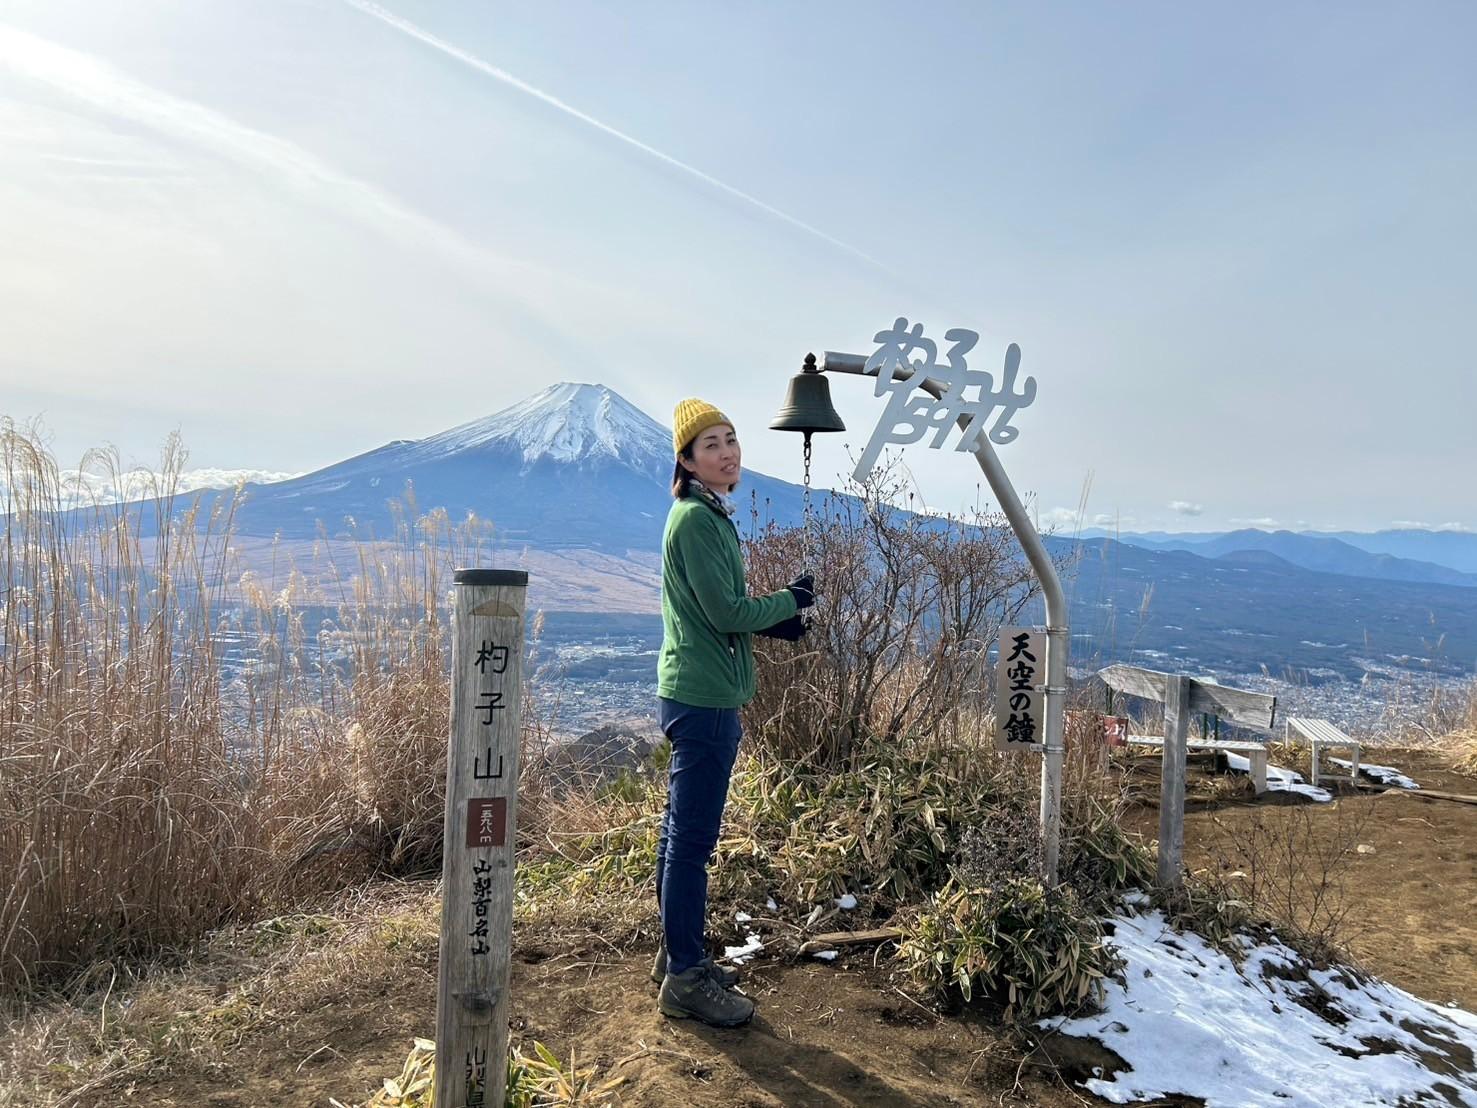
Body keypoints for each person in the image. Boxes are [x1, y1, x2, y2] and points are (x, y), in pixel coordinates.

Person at [651, 397, 814, 1027]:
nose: (728, 451)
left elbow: (710, 609)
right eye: (711, 443)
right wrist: (788, 601)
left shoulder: (704, 515)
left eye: (731, 438)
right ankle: (687, 978)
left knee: (679, 838)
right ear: (688, 460)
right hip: (705, 698)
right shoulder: (695, 519)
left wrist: (775, 623)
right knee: (691, 844)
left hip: (698, 688)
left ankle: (678, 958)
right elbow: (724, 612)